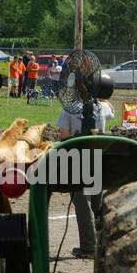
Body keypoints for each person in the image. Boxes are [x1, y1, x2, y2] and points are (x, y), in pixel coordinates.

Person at [55, 98, 115, 259]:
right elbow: (111, 109)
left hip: (77, 159)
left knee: (82, 202)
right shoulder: (101, 107)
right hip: (97, 157)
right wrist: (100, 97)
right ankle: (104, 243)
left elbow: (63, 136)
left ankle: (89, 247)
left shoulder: (69, 110)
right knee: (97, 202)